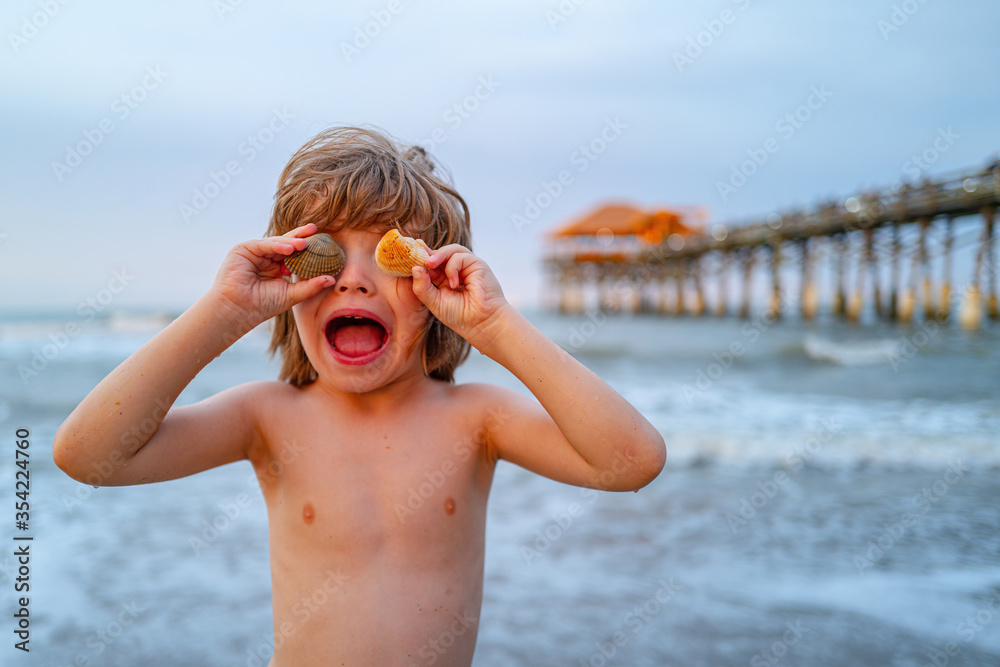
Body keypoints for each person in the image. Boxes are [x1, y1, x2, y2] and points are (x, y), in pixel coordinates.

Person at [53, 126, 666, 666]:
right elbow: (87, 454)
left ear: (435, 286)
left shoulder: (478, 418)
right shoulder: (265, 418)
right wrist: (223, 312)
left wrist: (495, 326)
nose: (352, 277)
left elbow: (632, 461)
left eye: (388, 255)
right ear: (288, 274)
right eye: (324, 252)